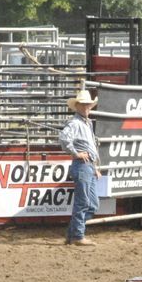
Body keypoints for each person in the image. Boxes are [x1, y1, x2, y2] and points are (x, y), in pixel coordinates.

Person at [59, 88, 101, 247]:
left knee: (92, 204)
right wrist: (76, 154)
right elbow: (64, 138)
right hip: (82, 165)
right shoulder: (75, 123)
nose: (86, 108)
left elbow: (90, 146)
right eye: (83, 105)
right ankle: (77, 235)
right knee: (84, 202)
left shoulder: (86, 123)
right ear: (77, 106)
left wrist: (95, 166)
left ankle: (73, 233)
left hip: (88, 166)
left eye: (87, 105)